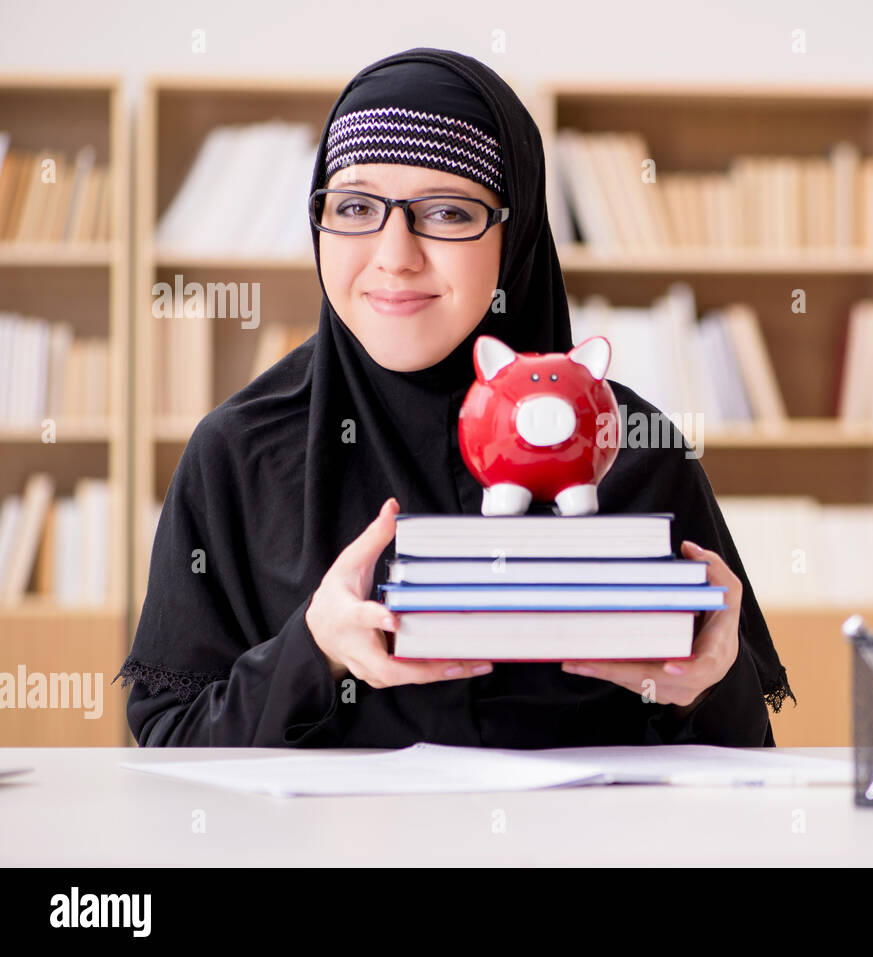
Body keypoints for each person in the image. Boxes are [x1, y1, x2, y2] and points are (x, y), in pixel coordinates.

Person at [114, 47, 795, 749]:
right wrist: (311, 652)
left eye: (446, 211)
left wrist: (713, 681)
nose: (395, 254)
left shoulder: (628, 446)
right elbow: (169, 743)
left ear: (518, 230)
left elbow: (739, 763)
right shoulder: (239, 452)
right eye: (353, 206)